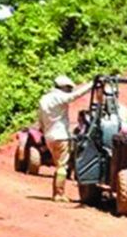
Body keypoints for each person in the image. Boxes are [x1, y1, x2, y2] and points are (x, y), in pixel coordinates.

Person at [38, 74, 93, 202]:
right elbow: (75, 96)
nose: (69, 91)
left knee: (58, 164)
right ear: (64, 87)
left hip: (49, 136)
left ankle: (56, 192)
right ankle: (59, 194)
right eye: (68, 89)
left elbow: (40, 120)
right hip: (60, 136)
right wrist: (91, 84)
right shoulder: (59, 97)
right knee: (62, 166)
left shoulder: (43, 99)